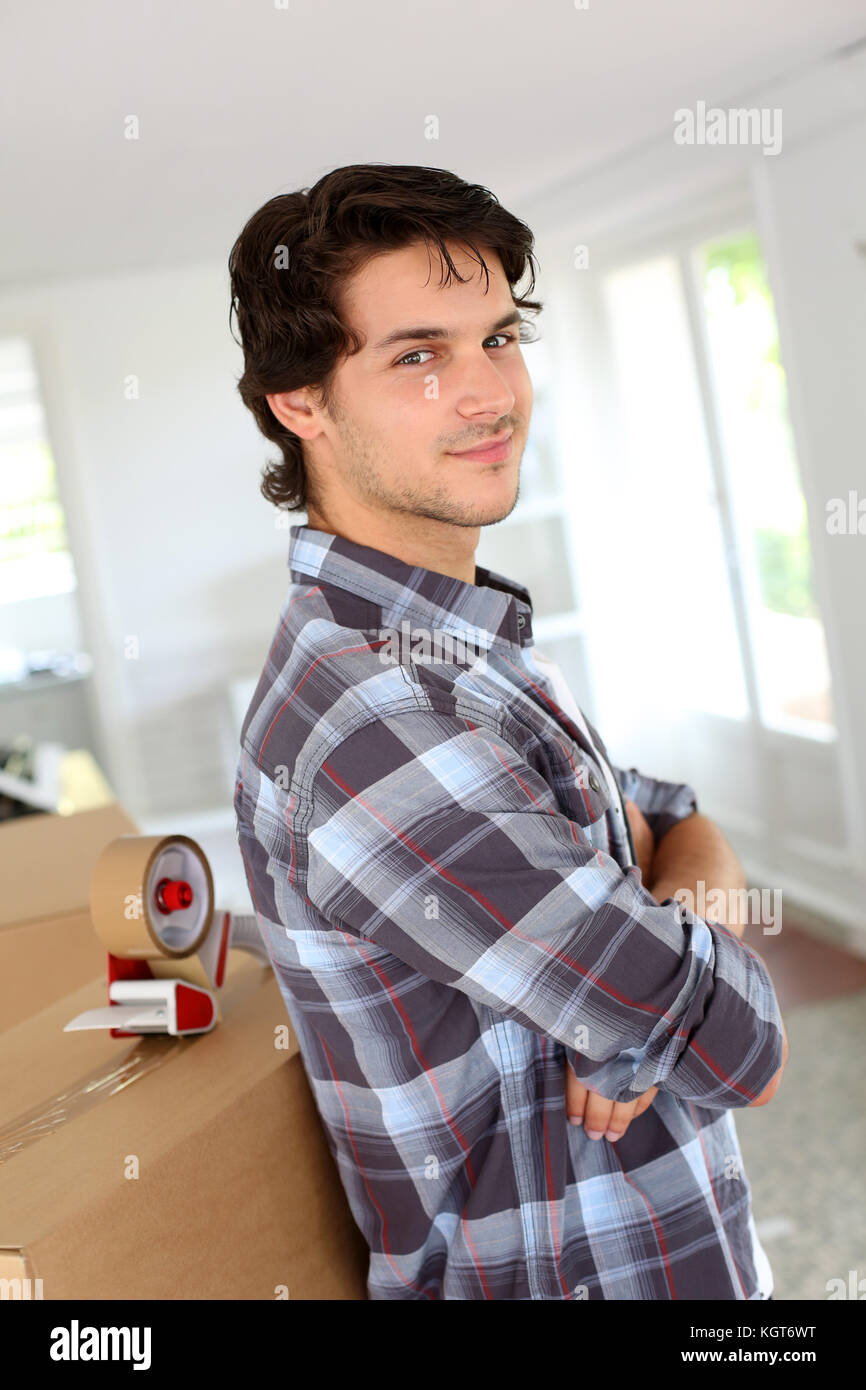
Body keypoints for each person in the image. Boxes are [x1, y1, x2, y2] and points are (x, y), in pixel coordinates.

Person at [229, 163, 788, 1300]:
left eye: (499, 337)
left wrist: (669, 899)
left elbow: (676, 818)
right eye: (418, 355)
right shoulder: (375, 722)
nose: (489, 392)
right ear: (300, 402)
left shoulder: (456, 645)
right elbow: (739, 1045)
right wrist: (672, 945)